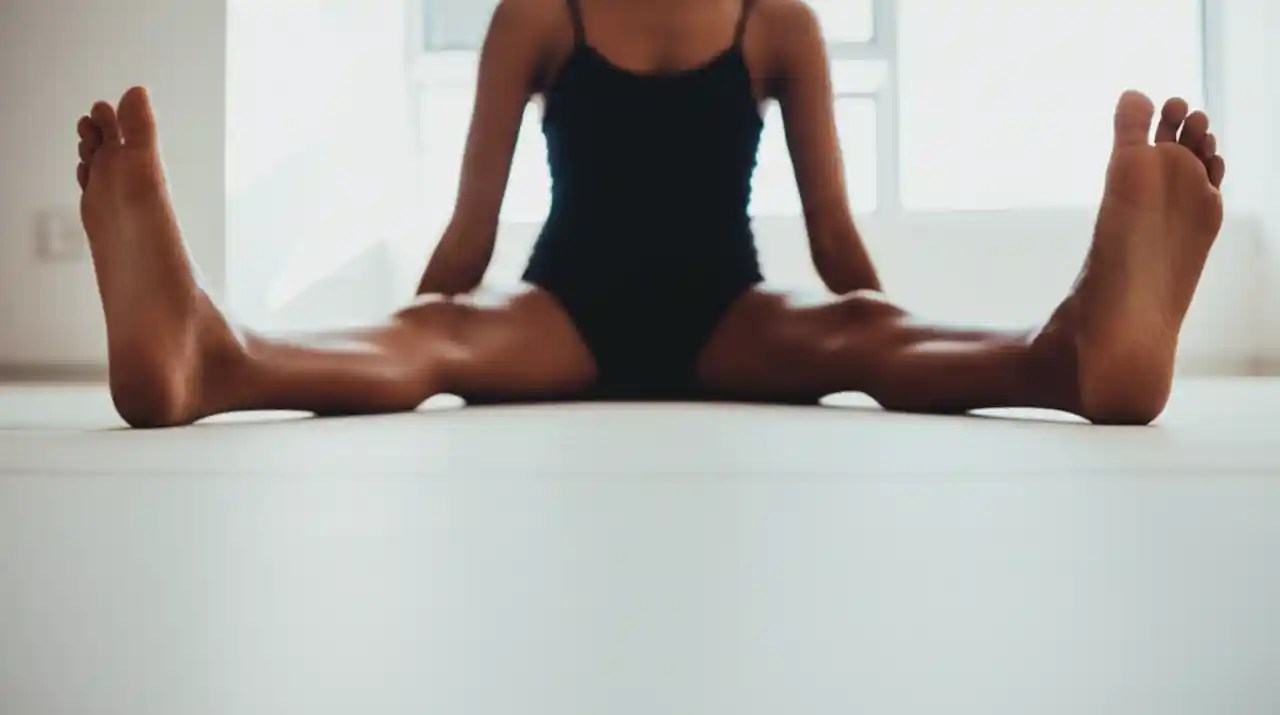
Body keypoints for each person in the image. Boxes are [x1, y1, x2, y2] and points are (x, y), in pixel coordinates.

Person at [73, 0, 1226, 428]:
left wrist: (879, 331)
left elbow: (836, 247)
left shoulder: (780, 22)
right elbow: (468, 237)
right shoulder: (537, 13)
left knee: (861, 333)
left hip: (726, 311)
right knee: (436, 336)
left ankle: (1071, 354)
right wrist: (419, 333)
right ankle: (207, 356)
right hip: (562, 312)